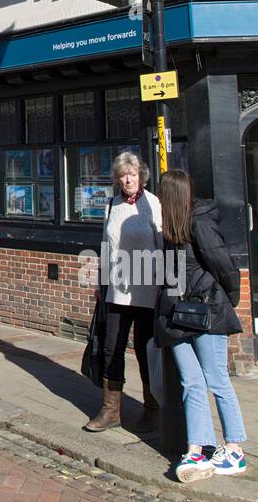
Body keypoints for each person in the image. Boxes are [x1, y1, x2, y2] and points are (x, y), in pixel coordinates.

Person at [156, 169, 247, 483]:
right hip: (178, 316)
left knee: (216, 379)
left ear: (170, 197)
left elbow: (222, 264)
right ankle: (198, 448)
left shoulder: (200, 222)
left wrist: (228, 299)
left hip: (207, 311)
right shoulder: (170, 229)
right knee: (191, 381)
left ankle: (234, 449)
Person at [84, 151, 163, 433]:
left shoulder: (153, 204)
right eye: (122, 175)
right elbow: (106, 244)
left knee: (145, 350)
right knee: (111, 347)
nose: (127, 179)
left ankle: (152, 407)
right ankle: (110, 410)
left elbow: (163, 246)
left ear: (140, 175)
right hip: (116, 290)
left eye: (131, 174)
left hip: (146, 290)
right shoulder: (111, 204)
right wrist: (98, 282)